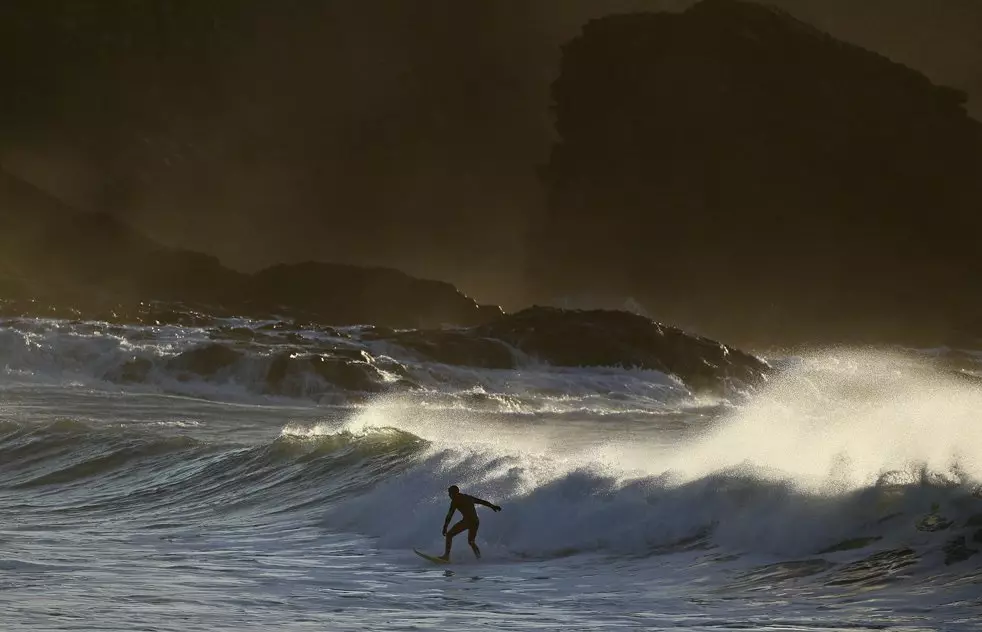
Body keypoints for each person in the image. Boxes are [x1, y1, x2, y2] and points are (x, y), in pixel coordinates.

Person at [439, 485, 501, 560]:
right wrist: (492, 506)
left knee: (449, 535)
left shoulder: (455, 500)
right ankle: (479, 558)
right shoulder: (468, 497)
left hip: (468, 521)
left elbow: (449, 515)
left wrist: (445, 527)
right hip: (475, 521)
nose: (449, 495)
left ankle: (446, 556)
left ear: (454, 493)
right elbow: (482, 502)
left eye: (450, 493)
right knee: (471, 542)